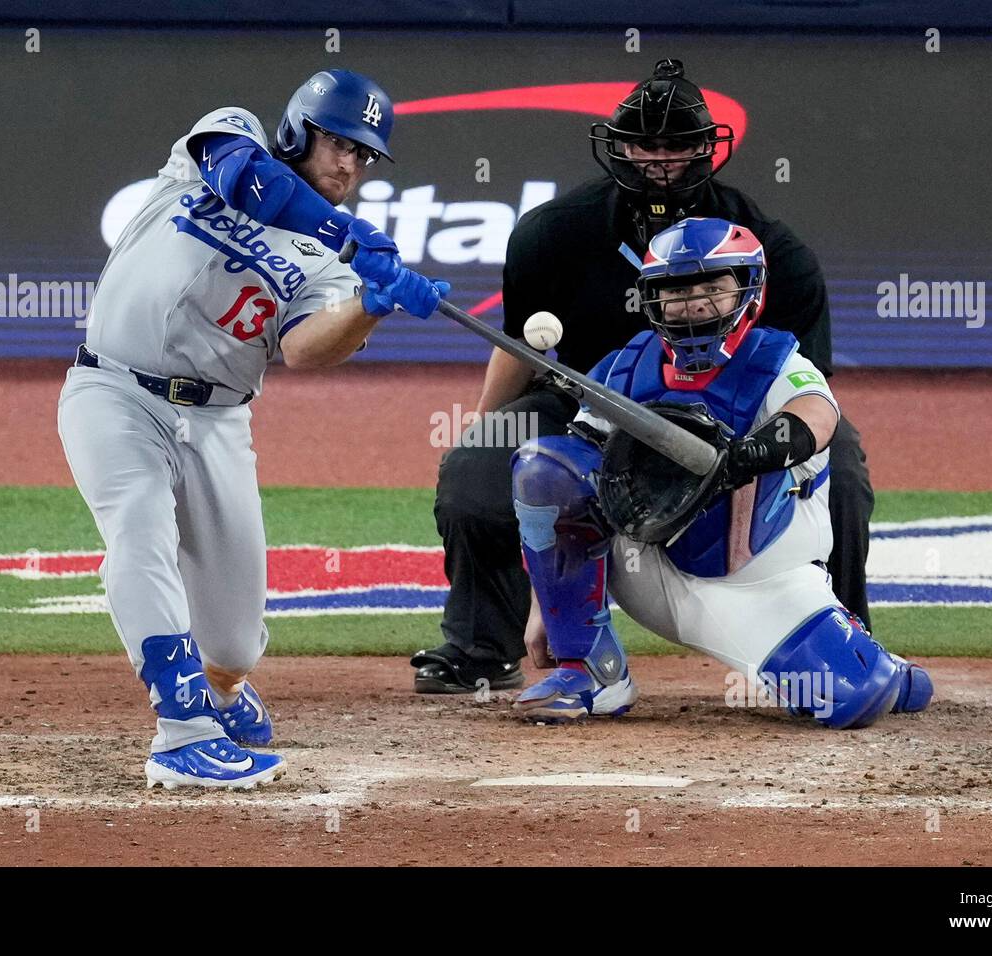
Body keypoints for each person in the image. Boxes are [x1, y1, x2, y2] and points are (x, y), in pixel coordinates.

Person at [413, 57, 873, 694]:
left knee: (842, 464)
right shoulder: (554, 234)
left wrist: (770, 444)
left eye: (677, 145)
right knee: (475, 472)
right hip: (583, 406)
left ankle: (845, 637)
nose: (659, 159)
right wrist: (486, 429)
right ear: (619, 145)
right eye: (644, 144)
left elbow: (810, 386)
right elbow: (523, 345)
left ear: (706, 148)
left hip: (732, 407)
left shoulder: (775, 250)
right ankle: (480, 647)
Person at [59, 70, 447, 788]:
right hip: (112, 388)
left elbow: (304, 349)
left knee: (234, 640)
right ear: (299, 129)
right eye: (339, 144)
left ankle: (223, 689)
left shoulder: (331, 261)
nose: (349, 166)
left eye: (364, 157)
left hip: (215, 421)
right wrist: (349, 234)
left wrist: (372, 302)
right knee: (137, 526)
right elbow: (246, 180)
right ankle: (182, 734)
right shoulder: (229, 132)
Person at [511, 216, 931, 728]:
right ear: (652, 299)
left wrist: (742, 458)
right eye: (676, 290)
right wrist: (544, 610)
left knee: (853, 701)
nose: (694, 302)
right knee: (546, 467)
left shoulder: (777, 361)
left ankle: (886, 669)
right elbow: (562, 495)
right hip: (649, 570)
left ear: (748, 292)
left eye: (713, 286)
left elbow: (816, 418)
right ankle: (592, 671)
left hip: (761, 584)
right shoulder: (622, 369)